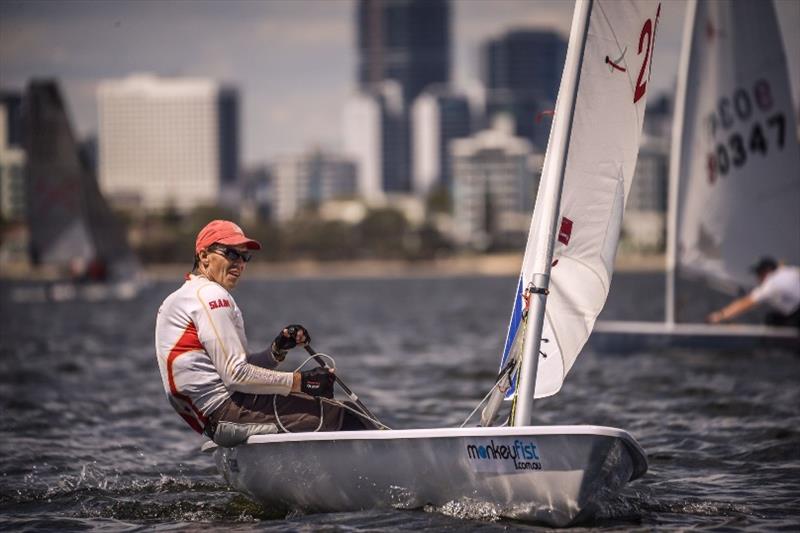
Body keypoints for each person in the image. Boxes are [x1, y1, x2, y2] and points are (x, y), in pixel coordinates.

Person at [155, 220, 375, 447]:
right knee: (344, 412)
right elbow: (236, 374)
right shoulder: (210, 295)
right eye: (231, 254)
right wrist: (301, 381)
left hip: (214, 417)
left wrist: (275, 352)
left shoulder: (183, 296)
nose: (239, 263)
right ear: (204, 256)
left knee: (323, 409)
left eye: (244, 257)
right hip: (228, 411)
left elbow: (234, 370)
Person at [707, 257, 800, 328]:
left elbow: (748, 302)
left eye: (758, 273)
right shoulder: (789, 271)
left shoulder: (771, 283)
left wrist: (722, 315)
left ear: (766, 271)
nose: (757, 278)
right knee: (777, 316)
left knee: (771, 320)